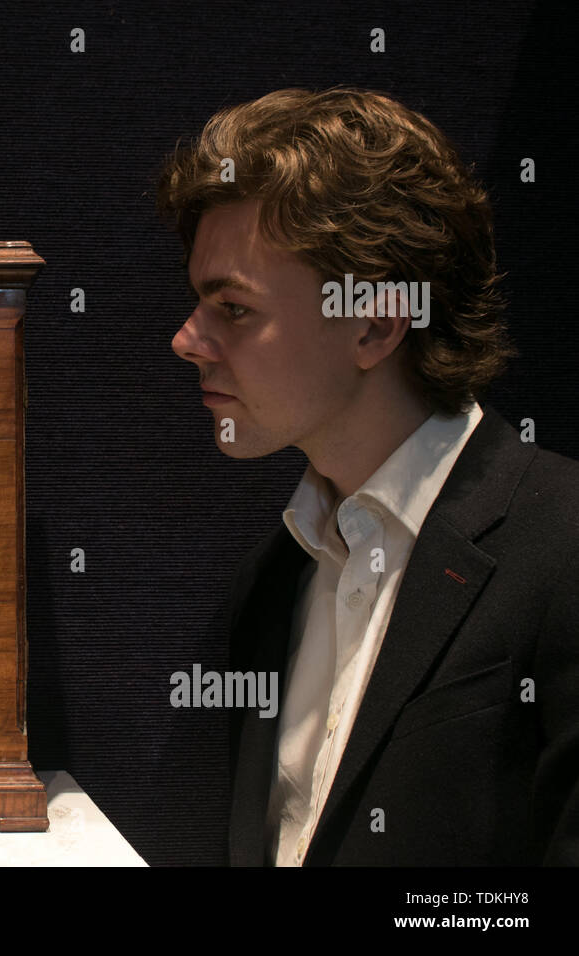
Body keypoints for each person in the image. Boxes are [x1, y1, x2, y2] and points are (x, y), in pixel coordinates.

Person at [157, 87, 579, 865]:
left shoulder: (562, 546)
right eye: (198, 303)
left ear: (377, 323)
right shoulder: (274, 580)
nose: (187, 340)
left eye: (235, 309)